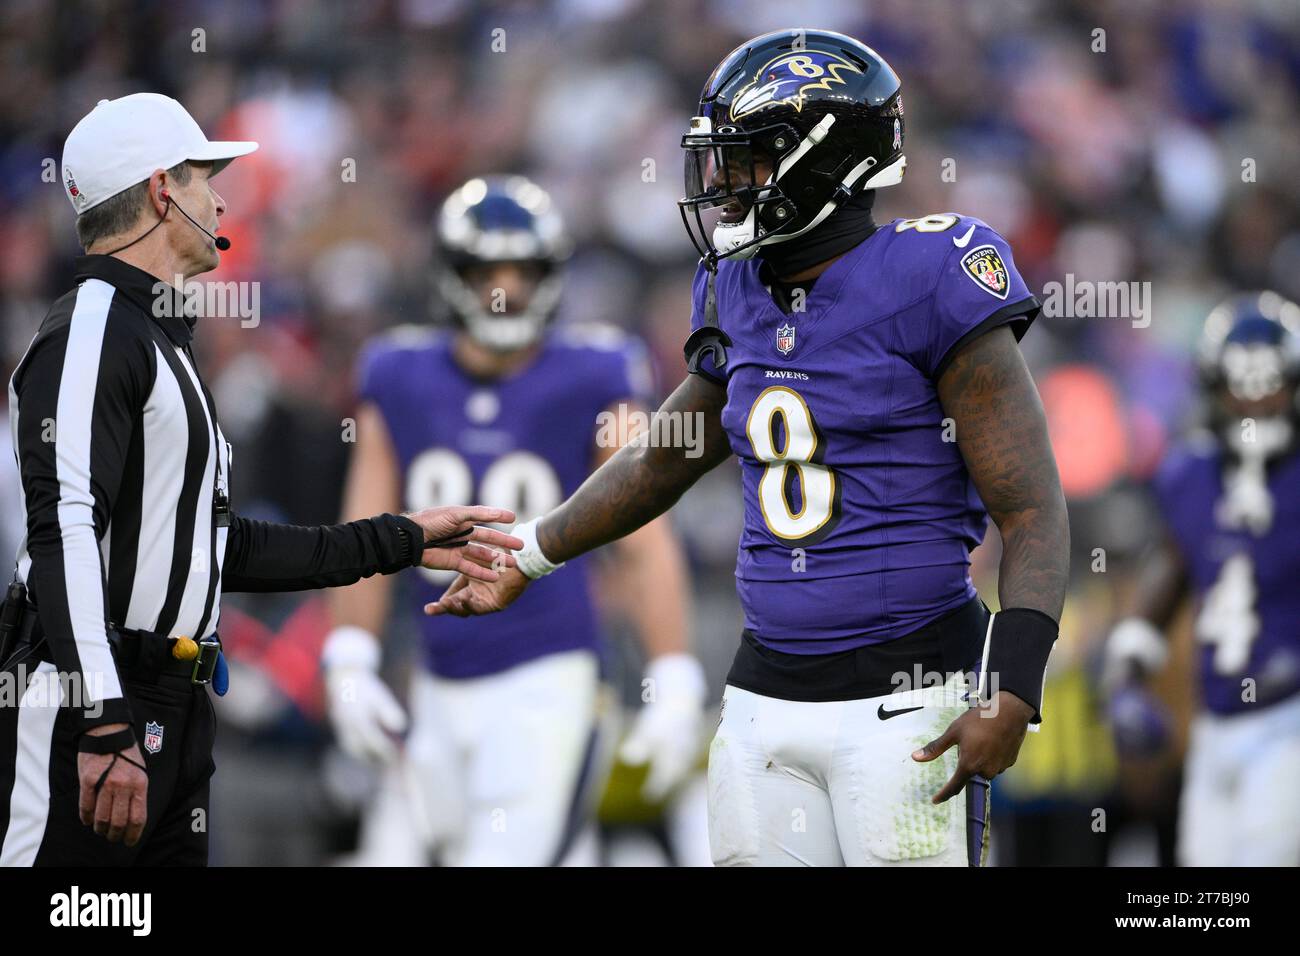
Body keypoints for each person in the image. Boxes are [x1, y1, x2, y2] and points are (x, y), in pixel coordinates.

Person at [430, 30, 1070, 867]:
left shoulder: (931, 272)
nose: (725, 184)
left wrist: (1013, 685)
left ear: (827, 161)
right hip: (763, 694)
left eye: (751, 159)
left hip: (911, 699)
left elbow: (1030, 506)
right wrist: (532, 553)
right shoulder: (732, 287)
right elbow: (667, 456)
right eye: (722, 160)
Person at [0, 93, 521, 867]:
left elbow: (215, 547)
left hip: (170, 702)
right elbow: (63, 532)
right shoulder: (93, 327)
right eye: (206, 177)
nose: (220, 198)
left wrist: (403, 539)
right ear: (160, 190)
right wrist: (104, 717)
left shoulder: (157, 337)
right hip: (94, 705)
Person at [323, 175, 704, 866]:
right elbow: (365, 533)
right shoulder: (398, 373)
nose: (506, 290)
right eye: (485, 270)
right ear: (449, 275)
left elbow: (644, 538)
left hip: (546, 683)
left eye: (521, 272)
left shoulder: (595, 373)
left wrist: (673, 672)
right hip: (434, 682)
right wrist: (349, 655)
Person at [1104, 291, 1300, 866]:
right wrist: (1125, 678)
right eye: (1240, 392)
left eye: (1272, 390)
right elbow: (1169, 573)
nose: (1256, 409)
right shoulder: (1190, 473)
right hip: (1215, 726)